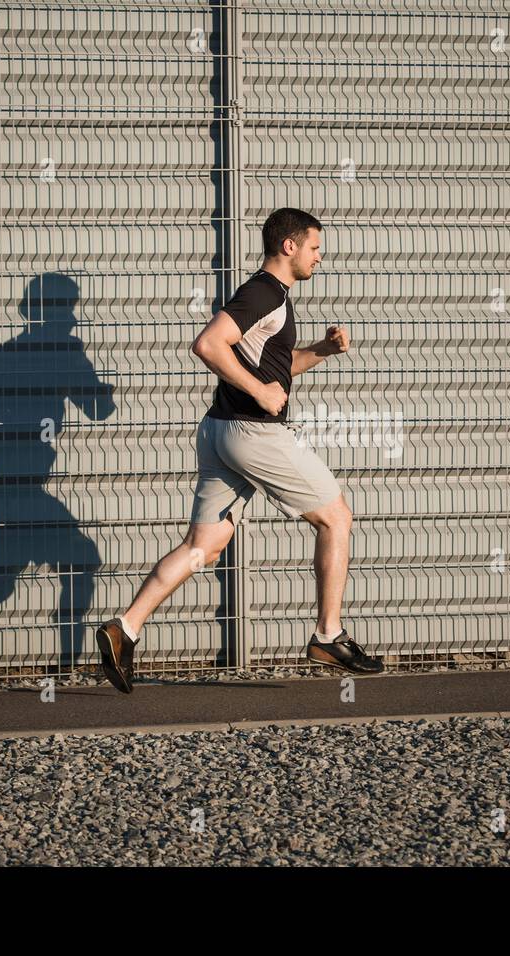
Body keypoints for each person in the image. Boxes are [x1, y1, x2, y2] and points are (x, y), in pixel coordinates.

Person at [95, 209, 384, 693]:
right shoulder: (264, 293)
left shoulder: (273, 301)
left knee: (202, 548)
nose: (320, 255)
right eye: (314, 247)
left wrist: (322, 350)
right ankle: (329, 635)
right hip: (254, 433)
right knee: (336, 518)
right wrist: (261, 392)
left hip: (221, 432)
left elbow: (278, 364)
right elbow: (209, 344)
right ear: (288, 246)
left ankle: (125, 628)